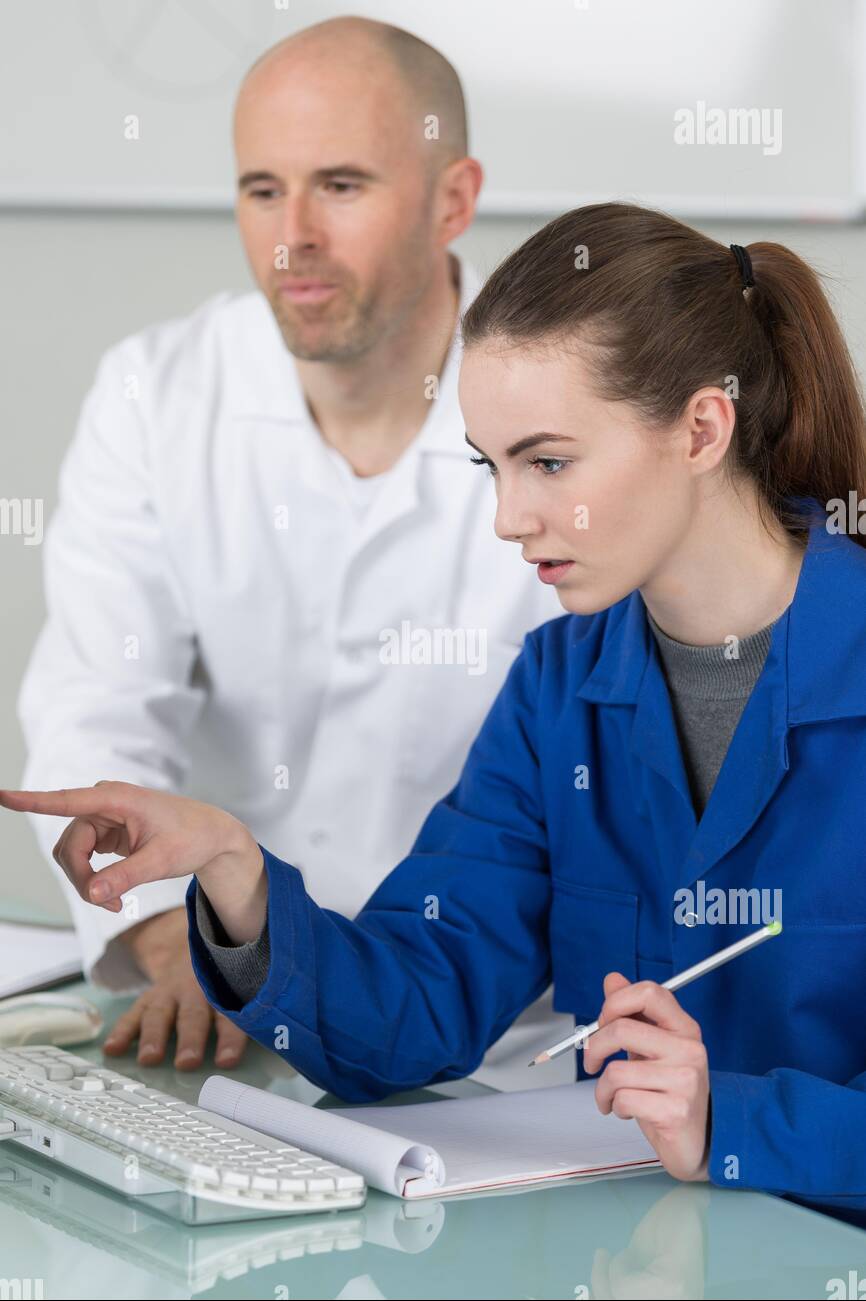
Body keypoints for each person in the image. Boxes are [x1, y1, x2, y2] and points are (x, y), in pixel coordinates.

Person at [7, 200, 866, 1226]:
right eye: (489, 466)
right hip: (638, 1260)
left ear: (698, 427)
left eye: (547, 463)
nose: (509, 518)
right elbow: (419, 998)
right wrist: (236, 872)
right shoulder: (559, 685)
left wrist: (728, 1120)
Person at [15, 17, 560, 1077]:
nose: (290, 236)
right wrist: (185, 935)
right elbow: (98, 701)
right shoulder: (157, 395)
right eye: (261, 190)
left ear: (453, 198)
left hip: (500, 1039)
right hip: (211, 1010)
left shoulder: (565, 406)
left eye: (341, 186)